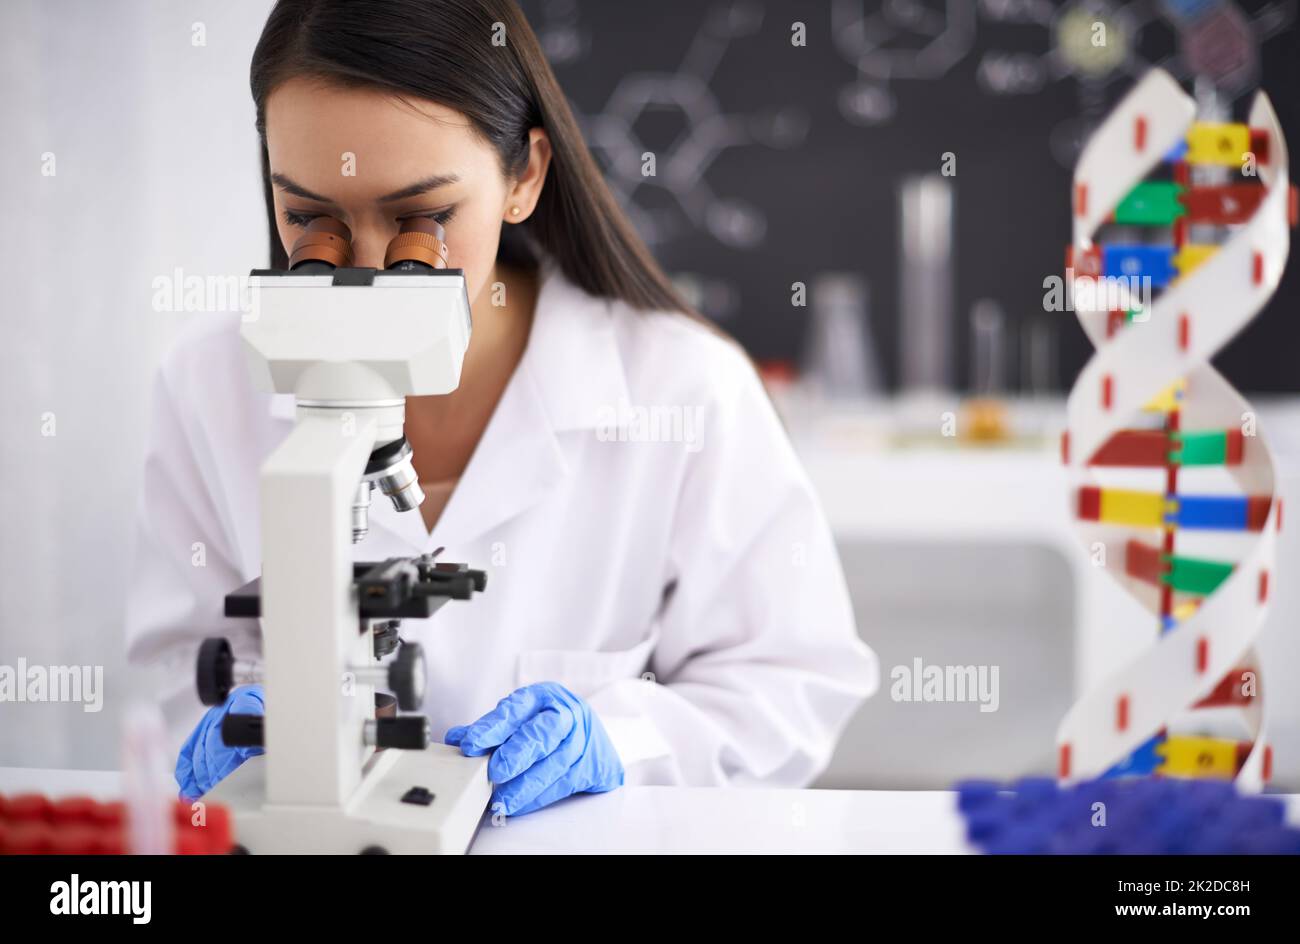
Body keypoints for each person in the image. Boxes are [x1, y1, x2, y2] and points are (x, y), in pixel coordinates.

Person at [125, 0, 877, 817]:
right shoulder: (208, 385)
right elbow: (176, 672)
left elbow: (792, 683)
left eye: (424, 221)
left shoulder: (682, 389)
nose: (369, 271)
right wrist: (232, 731)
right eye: (311, 220)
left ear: (524, 174)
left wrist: (620, 741)